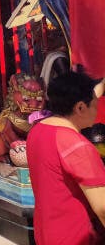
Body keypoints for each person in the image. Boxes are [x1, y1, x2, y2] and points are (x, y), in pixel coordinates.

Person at [27, 71, 105, 244]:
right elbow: (103, 207)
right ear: (80, 108)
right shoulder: (77, 146)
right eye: (95, 104)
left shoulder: (38, 131)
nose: (97, 108)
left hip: (48, 235)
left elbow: (89, 95)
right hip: (77, 237)